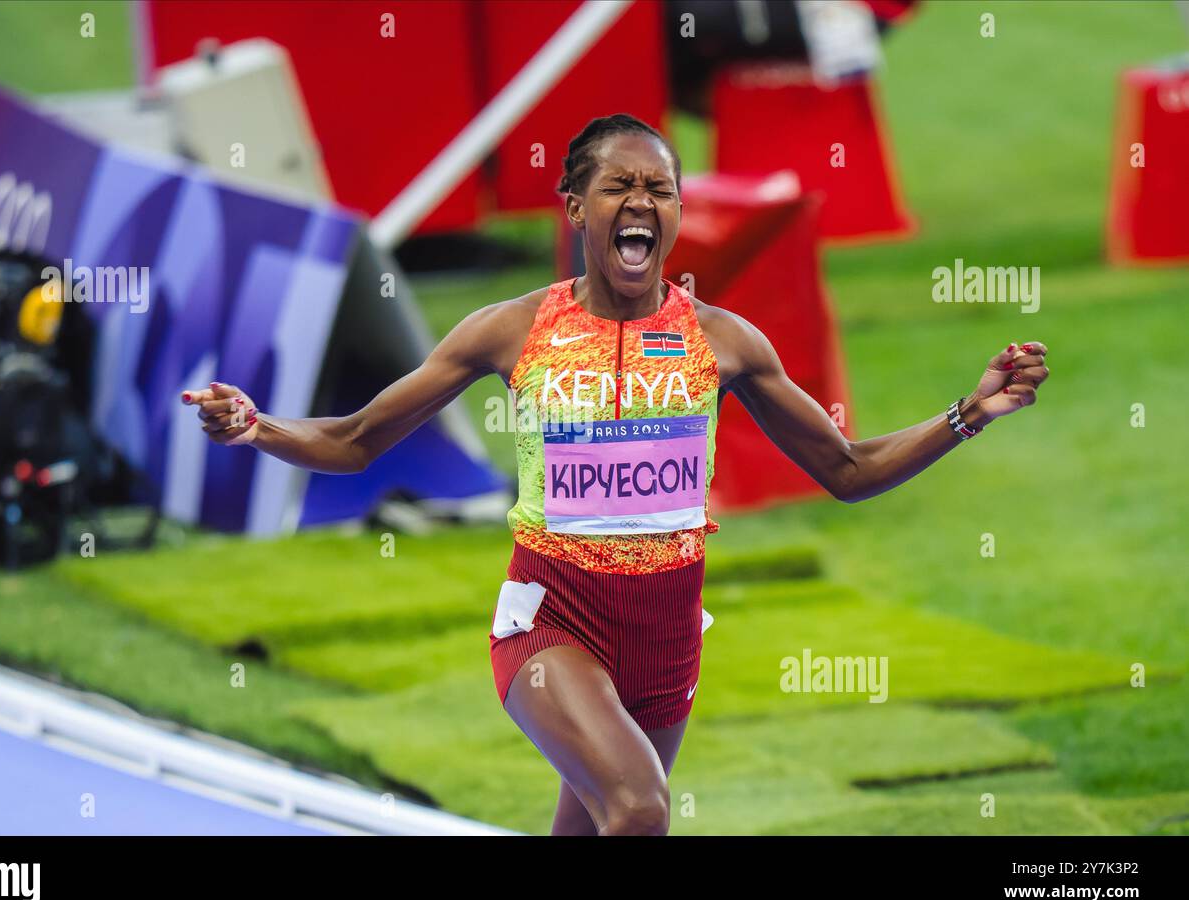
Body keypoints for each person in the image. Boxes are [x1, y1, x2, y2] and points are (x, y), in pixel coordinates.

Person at [180, 113, 1050, 836]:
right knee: (638, 808)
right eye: (618, 187)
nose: (641, 202)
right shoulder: (508, 330)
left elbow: (849, 469)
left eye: (659, 189)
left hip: (667, 638)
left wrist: (967, 413)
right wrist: (261, 428)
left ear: (676, 212)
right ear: (575, 208)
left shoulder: (727, 342)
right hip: (550, 623)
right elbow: (360, 437)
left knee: (599, 827)